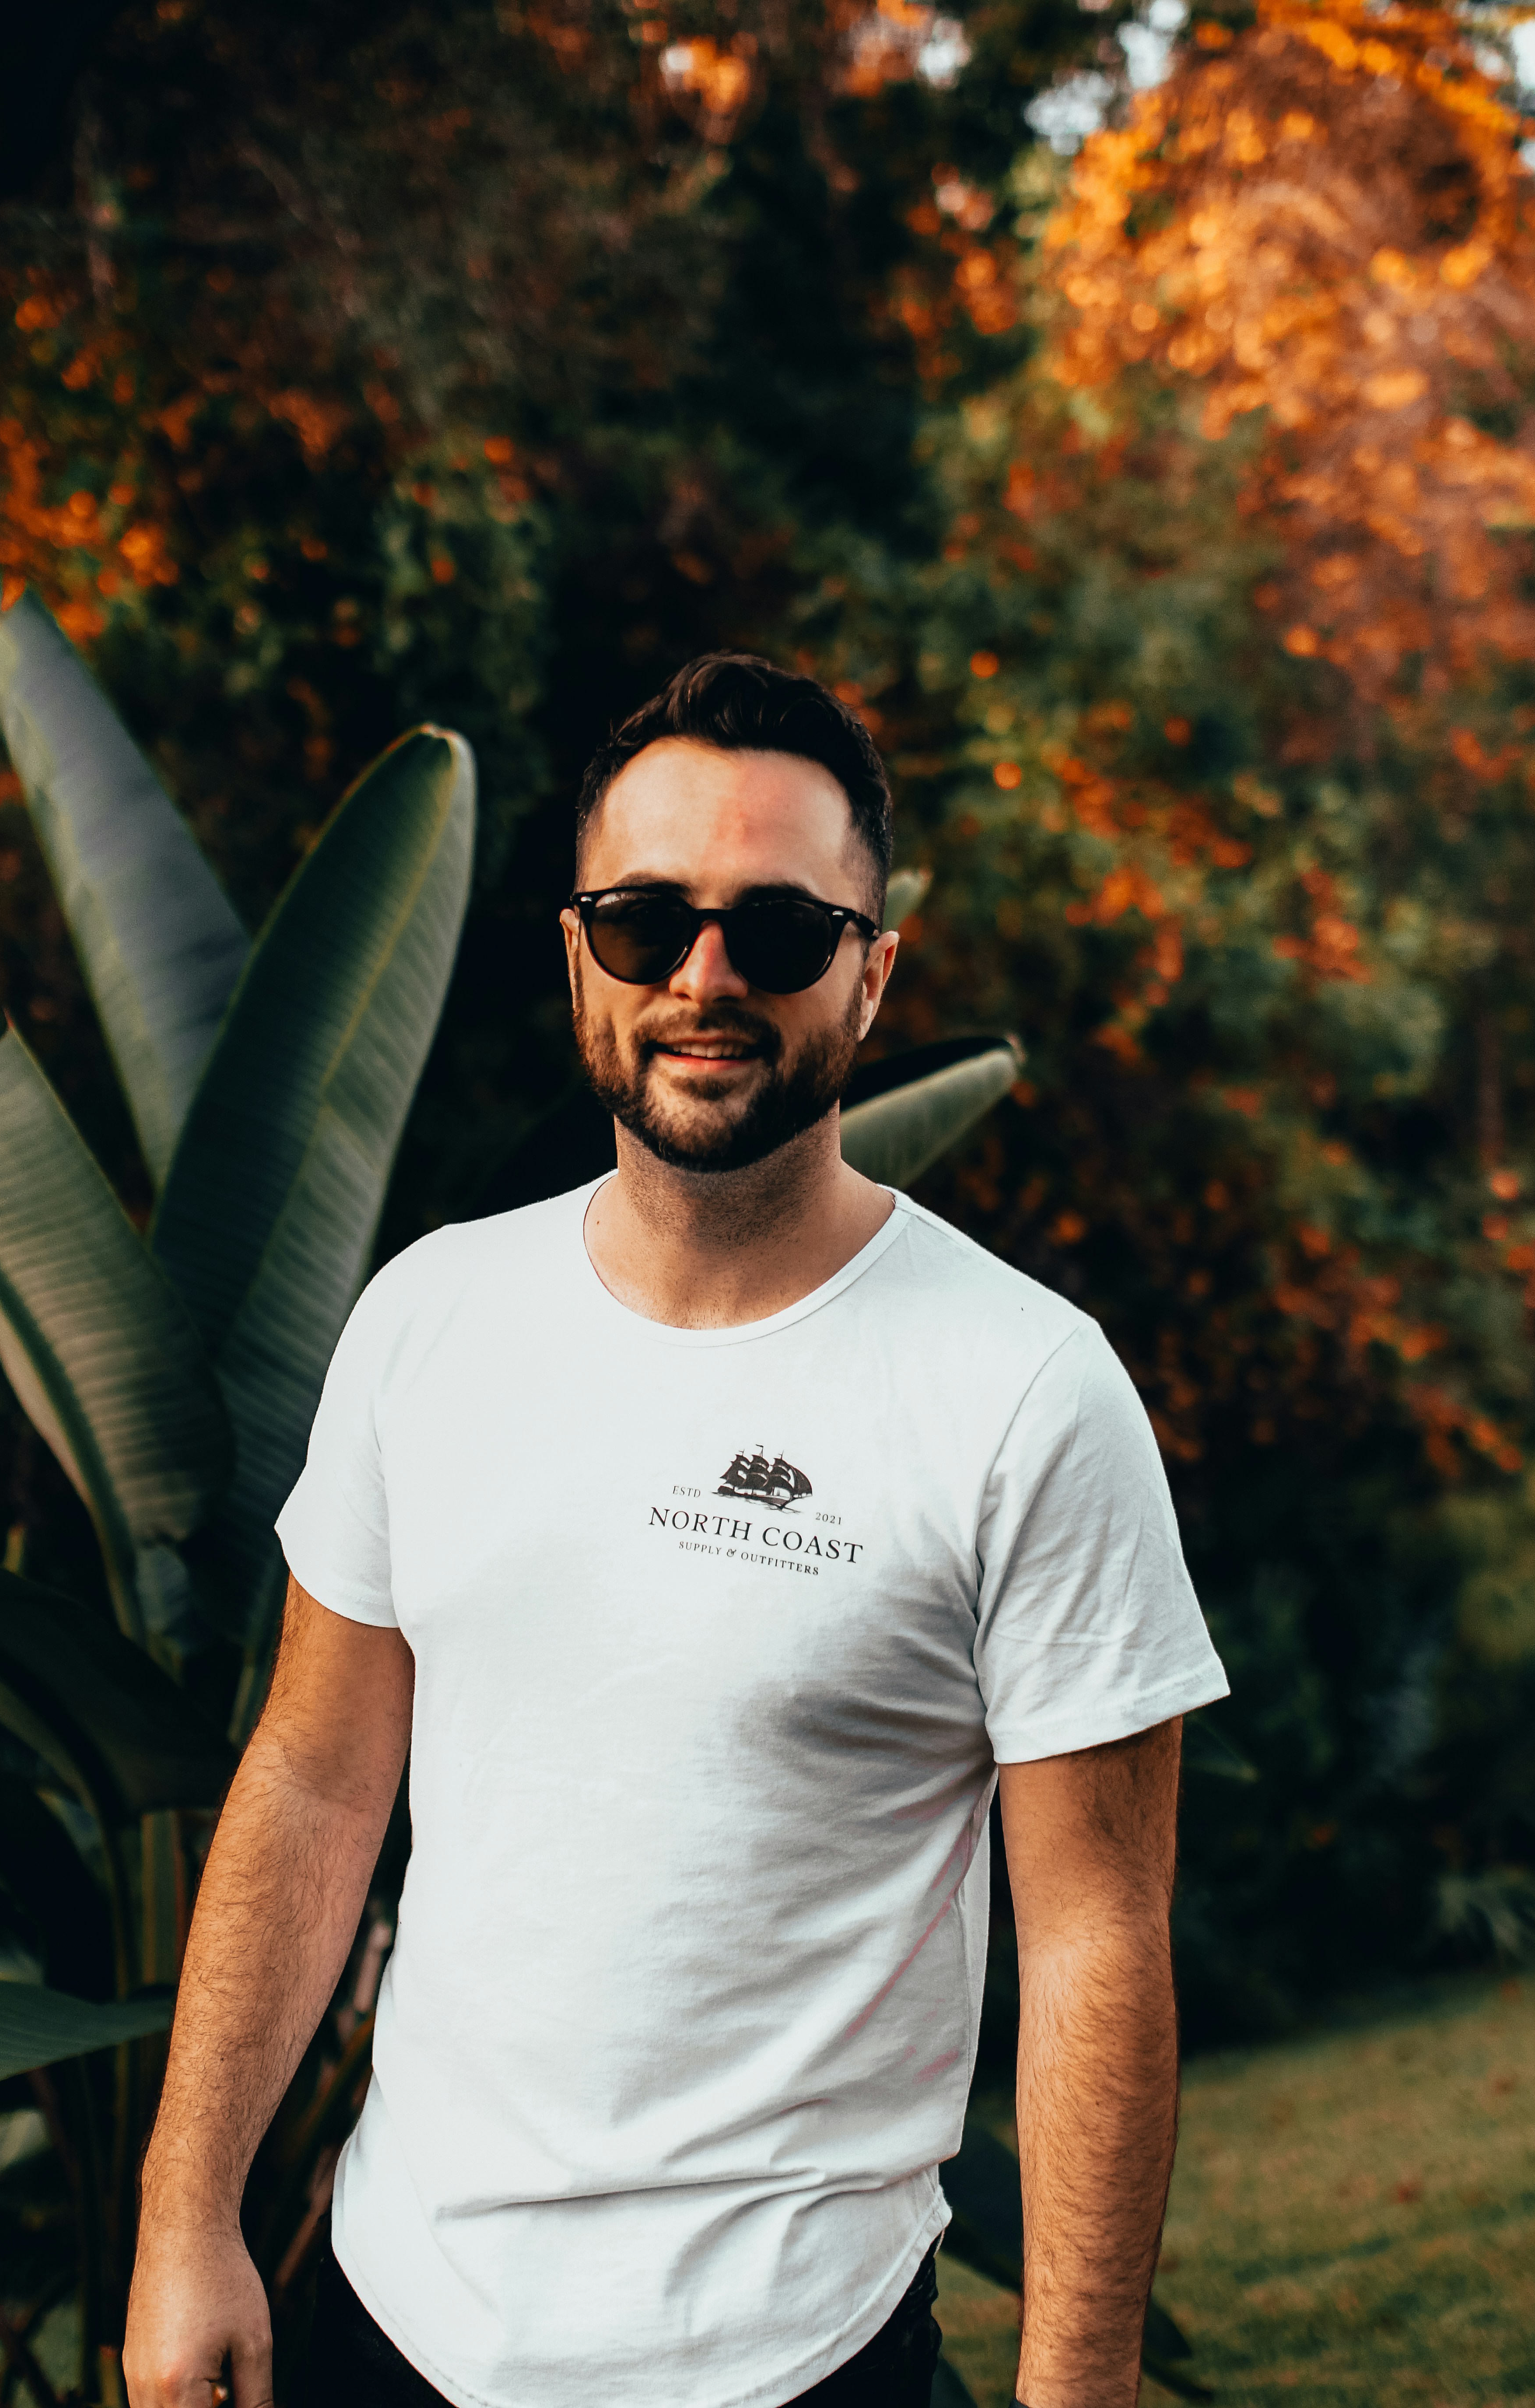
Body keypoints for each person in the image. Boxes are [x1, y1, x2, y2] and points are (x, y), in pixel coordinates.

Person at [124, 654, 1229, 2408]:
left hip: (787, 2357)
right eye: (647, 921)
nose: (706, 978)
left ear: (874, 967)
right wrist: (186, 2213)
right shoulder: (431, 1316)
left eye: (780, 929)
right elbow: (316, 1778)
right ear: (579, 951)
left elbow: (1097, 1931)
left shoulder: (1024, 1387)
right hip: (393, 2322)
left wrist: (1075, 2385)